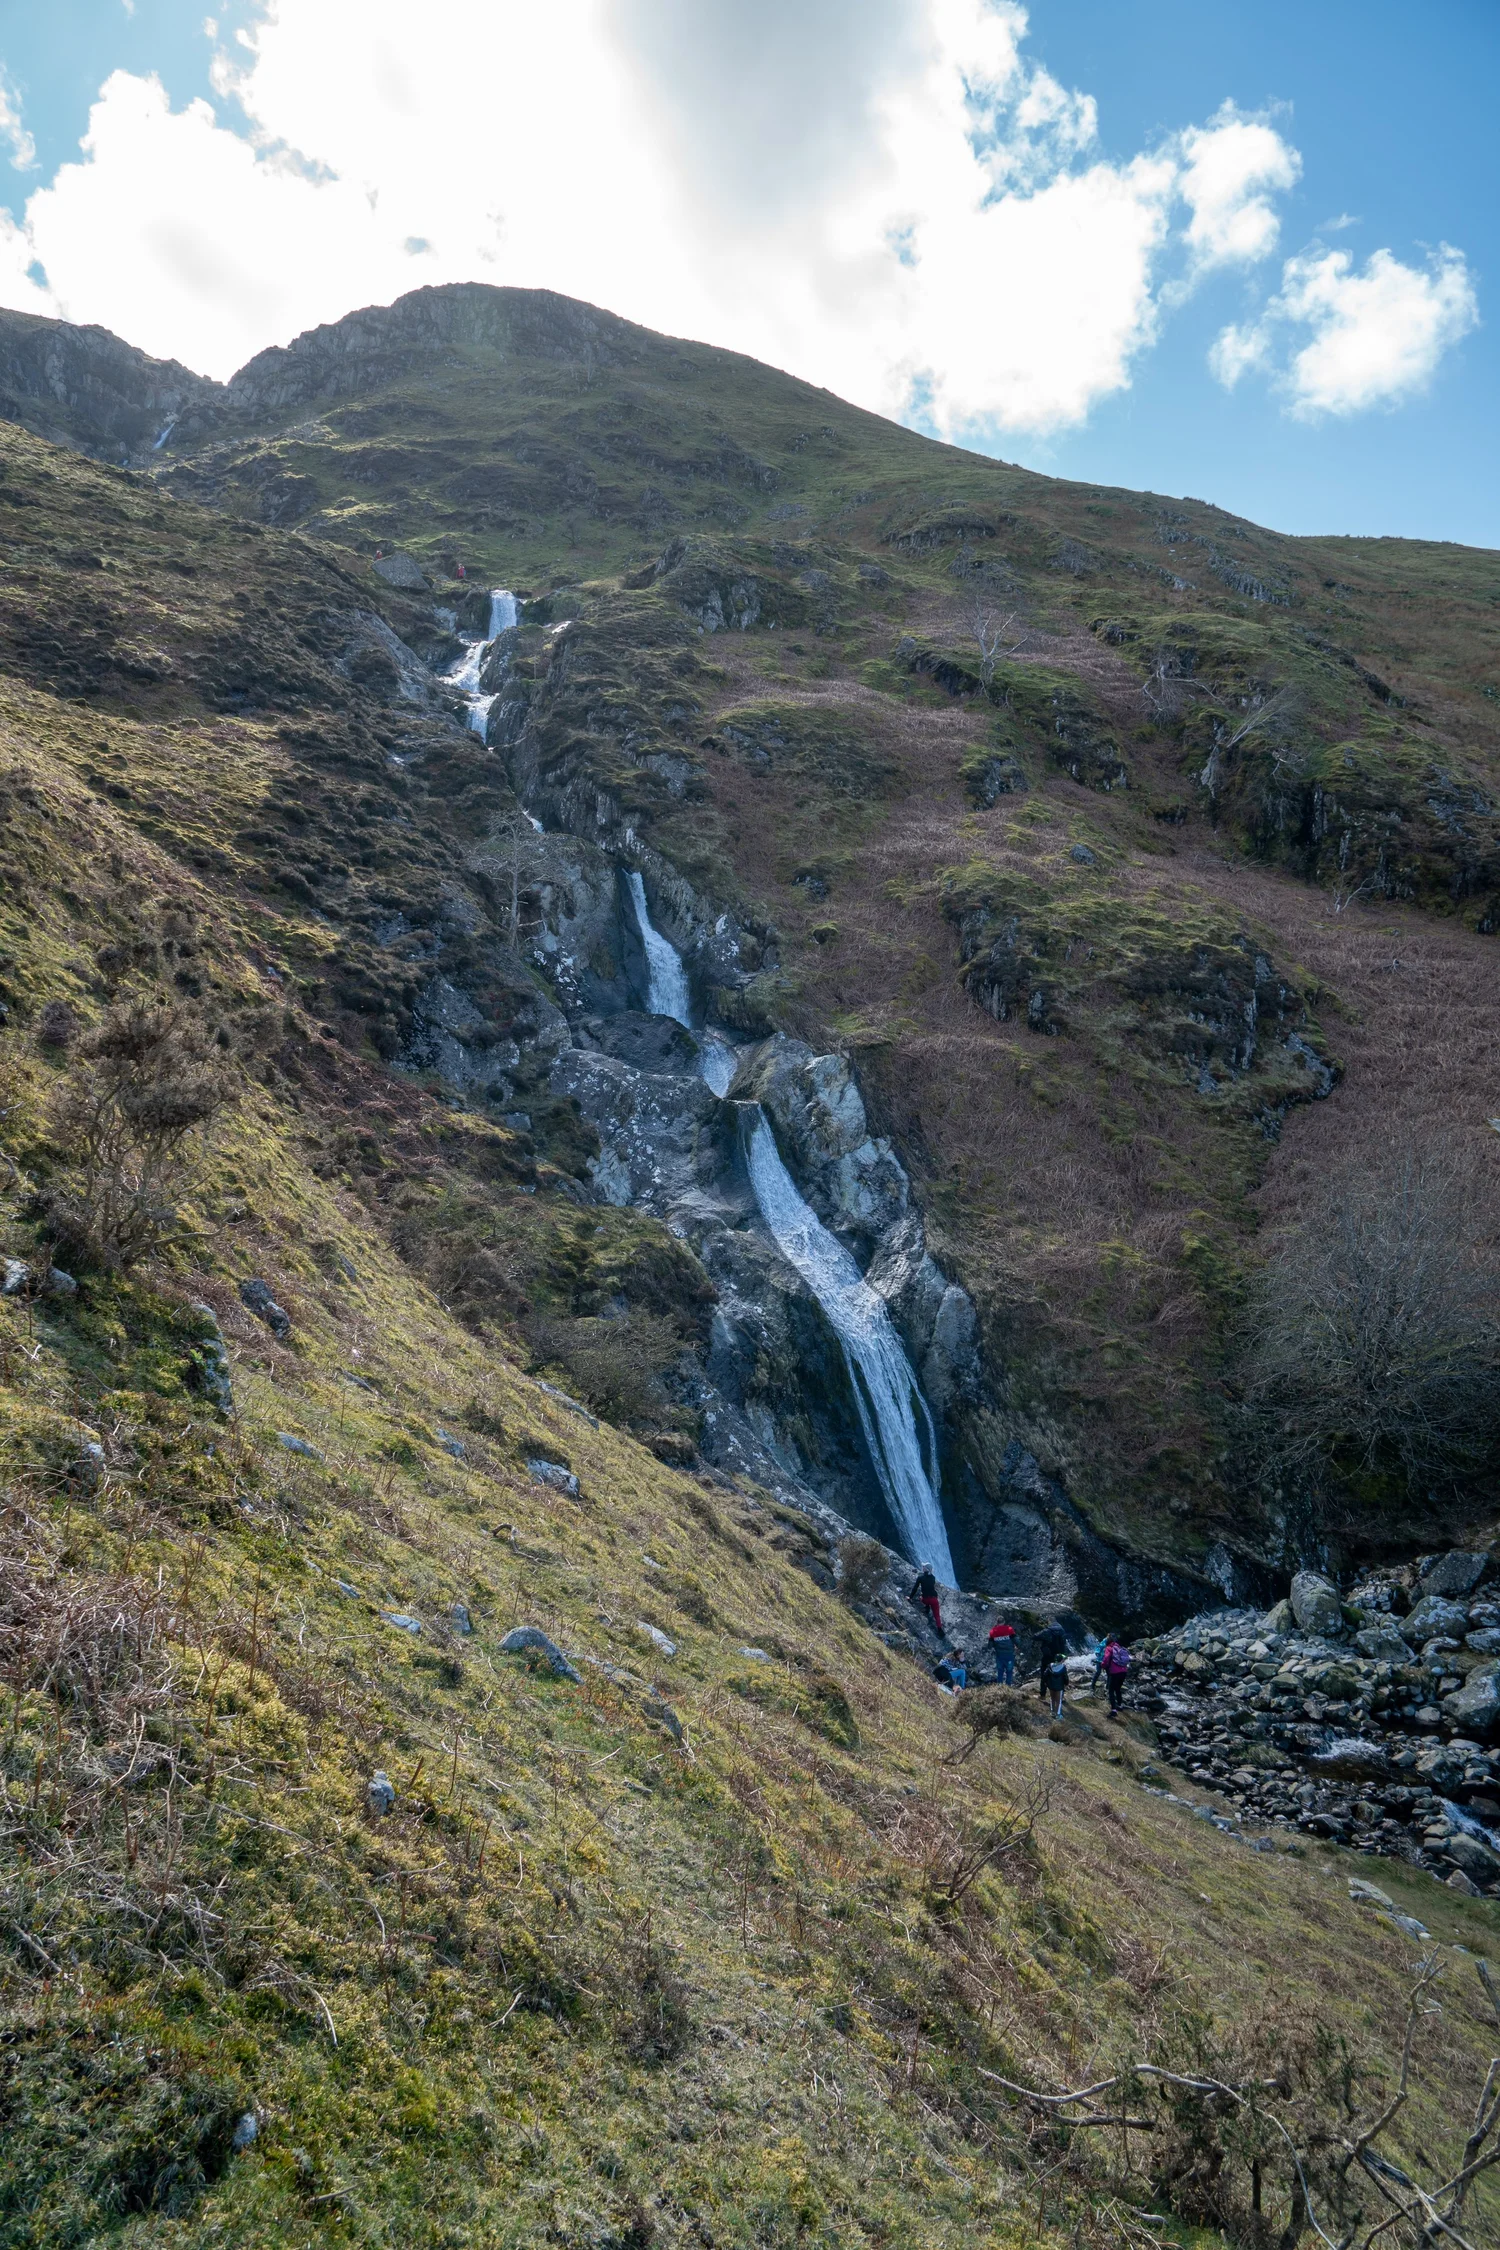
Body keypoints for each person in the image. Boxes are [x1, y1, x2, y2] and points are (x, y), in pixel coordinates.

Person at [1035, 1619, 1068, 1704]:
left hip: (1048, 1657)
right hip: (1059, 1658)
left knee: (1044, 1675)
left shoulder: (1047, 1631)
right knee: (1060, 1675)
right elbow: (1064, 1644)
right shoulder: (1062, 1631)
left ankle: (1042, 1696)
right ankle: (1061, 1696)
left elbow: (1035, 1636)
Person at [1099, 1635, 1132, 1716]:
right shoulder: (1120, 1647)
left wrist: (1102, 1665)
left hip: (1114, 1672)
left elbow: (1106, 1658)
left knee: (1111, 1690)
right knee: (1118, 1689)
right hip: (1123, 1671)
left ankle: (1114, 1710)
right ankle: (1120, 1705)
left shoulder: (1109, 1648)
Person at [910, 1565, 943, 1637]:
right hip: (934, 1599)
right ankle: (940, 1629)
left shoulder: (920, 1578)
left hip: (925, 1599)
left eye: (924, 1566)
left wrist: (910, 1597)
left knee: (920, 1597)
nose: (922, 1567)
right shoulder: (933, 1578)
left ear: (926, 1569)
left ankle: (927, 1608)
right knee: (937, 1615)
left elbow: (915, 1588)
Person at [988, 1616, 1017, 1685]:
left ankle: (1000, 1688)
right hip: (1009, 1654)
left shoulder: (992, 1631)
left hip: (999, 1655)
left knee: (1000, 1671)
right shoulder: (1009, 1629)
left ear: (997, 1622)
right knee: (1009, 1671)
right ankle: (1008, 1687)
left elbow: (990, 1646)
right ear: (1004, 1622)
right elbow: (1016, 1640)